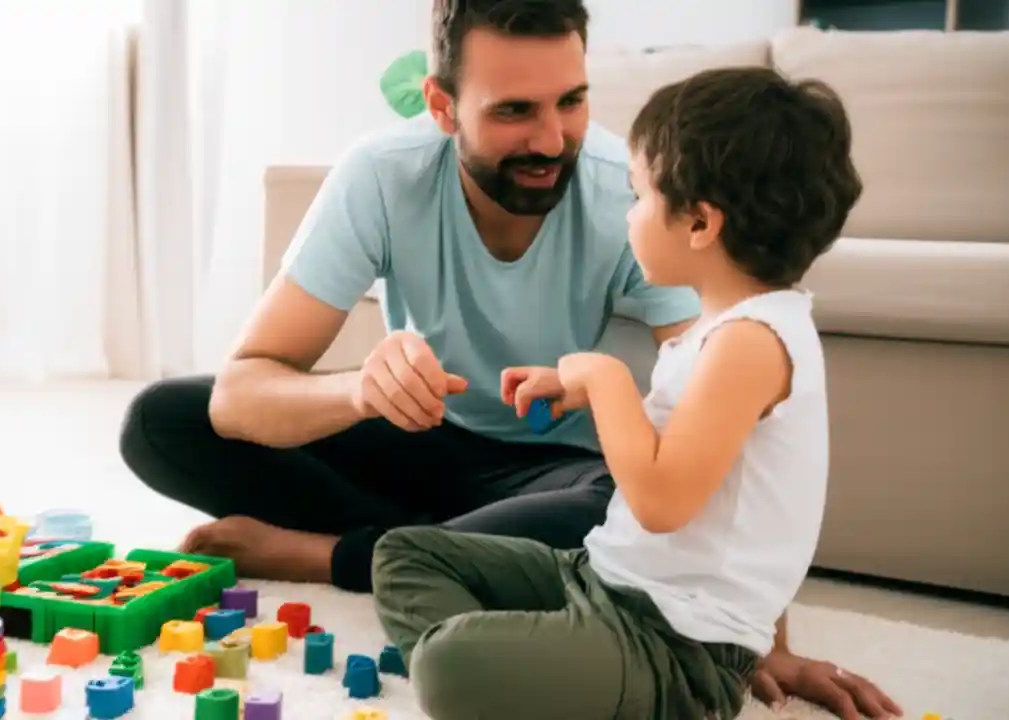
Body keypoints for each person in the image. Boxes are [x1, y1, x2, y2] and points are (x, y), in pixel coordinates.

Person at [119, 1, 900, 716]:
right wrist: (360, 391)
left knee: (612, 525)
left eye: (572, 101)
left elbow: (728, 443)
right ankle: (451, 544)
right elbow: (236, 397)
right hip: (425, 442)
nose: (553, 140)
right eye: (515, 111)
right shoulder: (381, 177)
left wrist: (764, 636)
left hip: (570, 475)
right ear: (442, 107)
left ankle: (334, 554)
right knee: (161, 423)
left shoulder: (640, 199)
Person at [371, 64, 887, 720]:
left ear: (700, 223)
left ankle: (513, 676)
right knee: (403, 553)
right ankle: (526, 678)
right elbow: (745, 500)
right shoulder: (726, 332)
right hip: (606, 580)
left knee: (448, 665)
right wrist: (575, 385)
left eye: (638, 196)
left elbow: (661, 501)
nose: (629, 214)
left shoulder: (751, 344)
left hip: (672, 646)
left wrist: (605, 377)